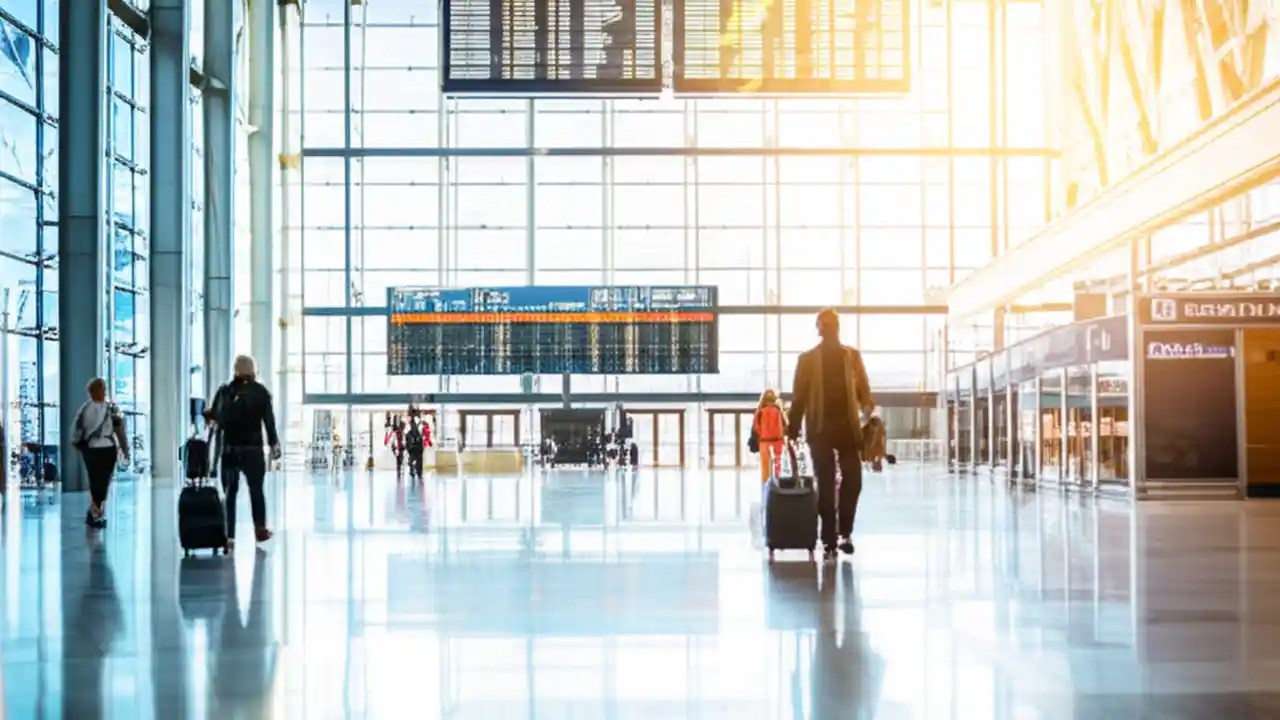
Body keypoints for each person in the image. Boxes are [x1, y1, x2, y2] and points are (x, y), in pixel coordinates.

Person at [786, 308, 874, 559]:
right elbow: (799, 398)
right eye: (824, 324)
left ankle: (844, 531)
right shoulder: (807, 360)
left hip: (848, 428)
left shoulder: (852, 357)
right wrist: (792, 429)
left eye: (831, 323)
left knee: (853, 479)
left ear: (837, 327)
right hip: (819, 428)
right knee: (824, 483)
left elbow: (864, 392)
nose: (828, 328)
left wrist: (867, 411)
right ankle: (829, 539)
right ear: (819, 329)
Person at [209, 355, 281, 549]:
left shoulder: (225, 392)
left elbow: (214, 418)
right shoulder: (261, 393)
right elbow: (269, 422)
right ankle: (260, 531)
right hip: (253, 450)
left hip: (230, 450)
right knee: (256, 491)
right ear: (253, 370)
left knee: (229, 493)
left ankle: (229, 536)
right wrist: (274, 444)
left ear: (235, 370)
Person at [72, 378, 129, 529]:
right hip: (106, 448)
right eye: (103, 388)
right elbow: (119, 431)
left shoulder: (84, 410)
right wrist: (125, 448)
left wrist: (81, 447)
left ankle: (95, 512)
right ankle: (94, 512)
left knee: (96, 481)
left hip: (92, 449)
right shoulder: (111, 409)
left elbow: (78, 431)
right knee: (102, 481)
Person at [753, 388, 787, 482]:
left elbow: (756, 426)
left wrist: (763, 433)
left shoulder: (759, 411)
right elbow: (784, 425)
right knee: (777, 464)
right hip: (777, 441)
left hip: (764, 441)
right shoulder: (778, 410)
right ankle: (777, 482)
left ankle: (766, 484)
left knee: (765, 466)